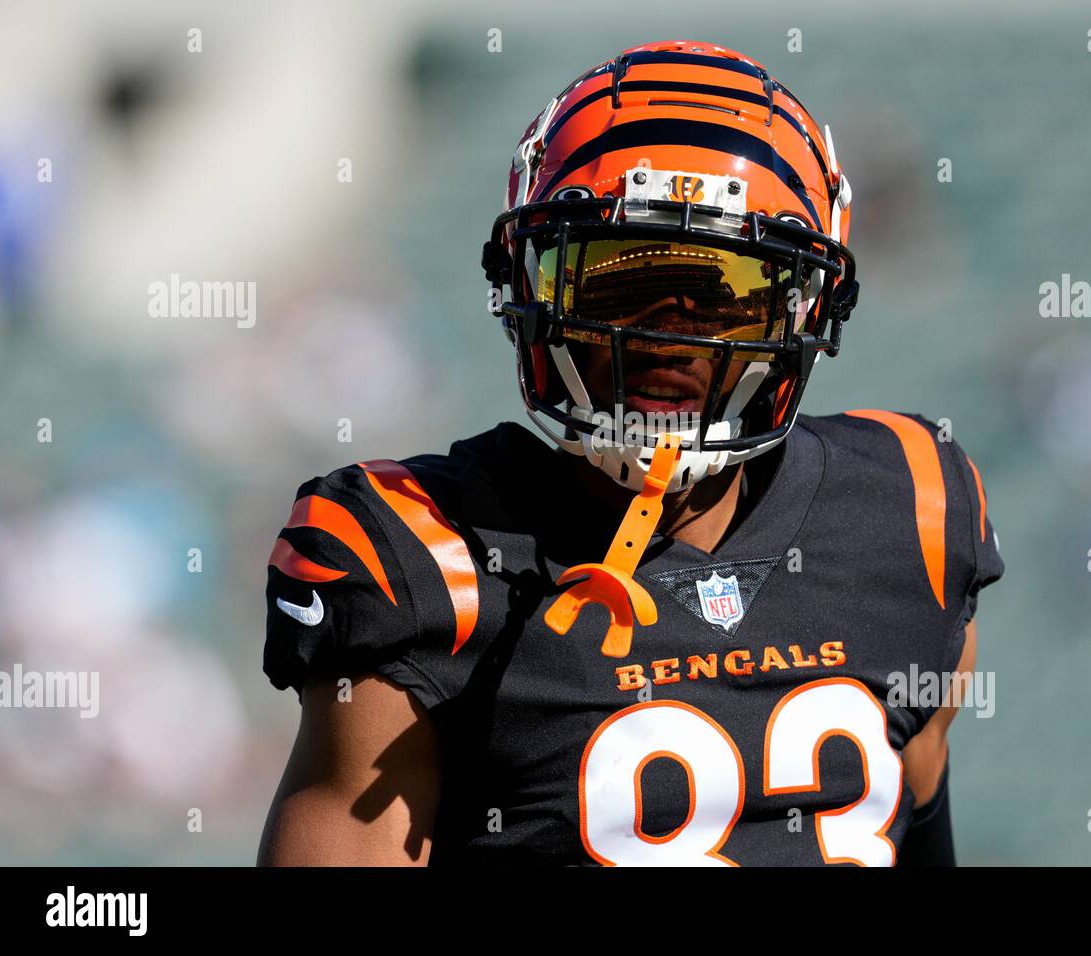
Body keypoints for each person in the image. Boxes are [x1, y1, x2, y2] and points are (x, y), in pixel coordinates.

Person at [258, 39, 1003, 867]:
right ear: (528, 286)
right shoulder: (424, 555)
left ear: (807, 314)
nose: (665, 338)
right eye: (618, 282)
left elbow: (923, 826)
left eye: (729, 296)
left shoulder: (912, 509)